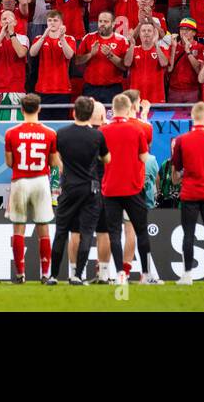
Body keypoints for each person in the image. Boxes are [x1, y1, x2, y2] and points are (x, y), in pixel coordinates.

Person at [50, 96, 109, 284]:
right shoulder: (97, 136)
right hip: (90, 188)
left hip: (69, 187)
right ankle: (78, 275)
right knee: (87, 233)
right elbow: (107, 159)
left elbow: (55, 158)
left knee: (61, 231)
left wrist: (64, 167)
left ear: (74, 112)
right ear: (90, 114)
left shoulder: (62, 134)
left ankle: (53, 275)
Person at [4, 93, 61, 283]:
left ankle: (20, 274)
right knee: (43, 228)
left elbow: (9, 162)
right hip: (40, 181)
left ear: (21, 110)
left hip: (20, 181)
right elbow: (53, 162)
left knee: (18, 229)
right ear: (39, 109)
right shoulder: (50, 133)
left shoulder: (11, 133)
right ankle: (45, 274)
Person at [100, 91, 153, 286]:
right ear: (130, 107)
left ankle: (120, 274)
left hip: (111, 188)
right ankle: (145, 274)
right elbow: (144, 158)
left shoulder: (103, 131)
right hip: (133, 187)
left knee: (114, 233)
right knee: (141, 231)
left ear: (113, 109)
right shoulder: (138, 129)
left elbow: (101, 158)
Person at [170, 101, 204, 285]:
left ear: (192, 118)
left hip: (190, 192)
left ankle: (187, 275)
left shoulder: (182, 140)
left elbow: (177, 167)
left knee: (188, 234)